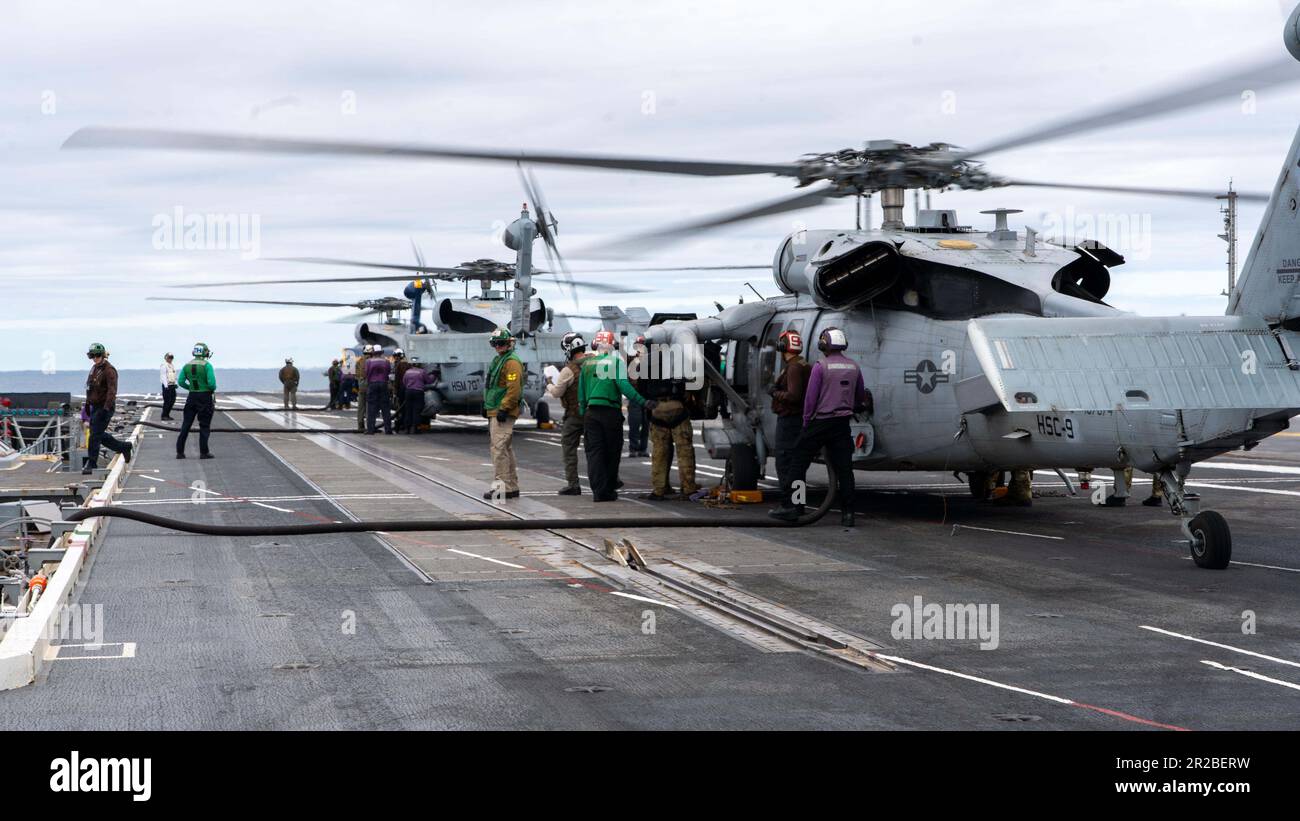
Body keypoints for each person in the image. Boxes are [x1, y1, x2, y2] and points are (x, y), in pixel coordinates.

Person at [769, 327, 869, 527]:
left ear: (824, 345)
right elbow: (860, 397)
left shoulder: (820, 366)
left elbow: (810, 399)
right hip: (842, 423)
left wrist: (806, 423)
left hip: (821, 421)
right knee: (844, 470)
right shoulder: (854, 367)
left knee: (797, 461)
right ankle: (848, 514)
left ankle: (792, 506)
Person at [579, 330, 656, 502]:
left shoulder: (587, 363)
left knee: (594, 453)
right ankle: (608, 488)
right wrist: (643, 402)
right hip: (610, 413)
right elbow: (623, 386)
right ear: (612, 346)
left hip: (591, 414)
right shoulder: (615, 361)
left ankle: (598, 491)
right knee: (612, 452)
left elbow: (581, 393)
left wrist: (584, 413)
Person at [769, 329, 811, 504]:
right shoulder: (803, 364)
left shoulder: (793, 368)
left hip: (789, 421)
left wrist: (775, 393)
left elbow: (794, 396)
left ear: (782, 346)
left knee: (785, 464)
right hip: (799, 421)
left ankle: (788, 504)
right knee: (798, 465)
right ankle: (798, 503)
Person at [546, 331, 590, 495]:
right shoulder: (594, 363)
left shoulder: (568, 370)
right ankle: (603, 481)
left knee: (569, 449)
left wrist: (549, 383)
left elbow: (557, 393)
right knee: (595, 449)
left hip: (574, 415)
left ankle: (573, 484)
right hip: (593, 413)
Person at [483, 328, 524, 499]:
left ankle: (501, 488)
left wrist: (504, 408)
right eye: (495, 343)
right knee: (505, 448)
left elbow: (513, 389)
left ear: (508, 343)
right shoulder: (500, 360)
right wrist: (486, 405)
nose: (498, 346)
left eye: (501, 343)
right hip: (495, 408)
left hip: (503, 411)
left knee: (498, 449)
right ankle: (511, 486)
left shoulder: (511, 362)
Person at [82, 343, 132, 474]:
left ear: (103, 355)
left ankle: (92, 463)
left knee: (94, 437)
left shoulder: (109, 370)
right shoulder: (94, 368)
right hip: (95, 407)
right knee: (98, 435)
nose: (95, 358)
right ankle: (124, 447)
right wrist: (87, 405)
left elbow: (112, 391)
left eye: (97, 355)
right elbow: (90, 388)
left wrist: (106, 409)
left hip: (104, 407)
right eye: (92, 355)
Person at [646, 386, 699, 501]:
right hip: (678, 407)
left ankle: (659, 490)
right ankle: (688, 488)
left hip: (657, 409)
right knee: (685, 451)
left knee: (659, 452)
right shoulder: (681, 367)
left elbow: (638, 384)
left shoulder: (648, 367)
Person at [176, 342, 217, 460]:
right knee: (204, 425)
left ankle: (180, 452)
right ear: (204, 352)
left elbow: (181, 381)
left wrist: (191, 388)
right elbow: (212, 384)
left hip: (192, 396)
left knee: (186, 424)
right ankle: (204, 452)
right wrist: (207, 389)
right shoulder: (207, 365)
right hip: (204, 397)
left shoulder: (187, 365)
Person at [625, 335, 650, 458]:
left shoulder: (650, 361)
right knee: (634, 424)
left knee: (646, 424)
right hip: (635, 397)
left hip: (646, 397)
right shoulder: (631, 360)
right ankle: (633, 448)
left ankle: (643, 448)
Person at [364, 347, 393, 434]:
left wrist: (370, 382)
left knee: (371, 407)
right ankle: (388, 430)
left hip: (372, 384)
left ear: (373, 353)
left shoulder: (368, 361)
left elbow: (367, 373)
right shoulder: (386, 361)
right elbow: (388, 372)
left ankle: (370, 430)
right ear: (381, 352)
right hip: (383, 383)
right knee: (385, 408)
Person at [401, 363, 433, 434]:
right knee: (417, 410)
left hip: (408, 392)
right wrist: (433, 376)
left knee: (408, 410)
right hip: (418, 392)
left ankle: (407, 428)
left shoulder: (407, 372)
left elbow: (404, 382)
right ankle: (415, 428)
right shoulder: (422, 372)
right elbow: (429, 381)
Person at [392, 349, 410, 431]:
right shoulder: (409, 363)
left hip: (402, 388)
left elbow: (397, 379)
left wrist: (395, 391)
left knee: (401, 408)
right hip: (409, 388)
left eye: (395, 356)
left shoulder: (400, 364)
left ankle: (401, 424)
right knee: (407, 408)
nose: (395, 358)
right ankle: (406, 424)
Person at [354, 345, 371, 431]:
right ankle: (370, 426)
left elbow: (356, 375)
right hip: (370, 385)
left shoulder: (359, 361)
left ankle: (360, 426)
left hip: (361, 385)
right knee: (369, 406)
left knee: (361, 407)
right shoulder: (372, 361)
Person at [159, 352, 178, 420]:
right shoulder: (164, 365)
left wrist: (176, 383)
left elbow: (174, 375)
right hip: (167, 386)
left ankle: (167, 414)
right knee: (167, 401)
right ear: (166, 358)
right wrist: (166, 385)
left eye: (171, 357)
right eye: (169, 357)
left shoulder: (172, 365)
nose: (170, 359)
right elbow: (163, 376)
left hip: (172, 385)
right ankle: (164, 415)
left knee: (172, 400)